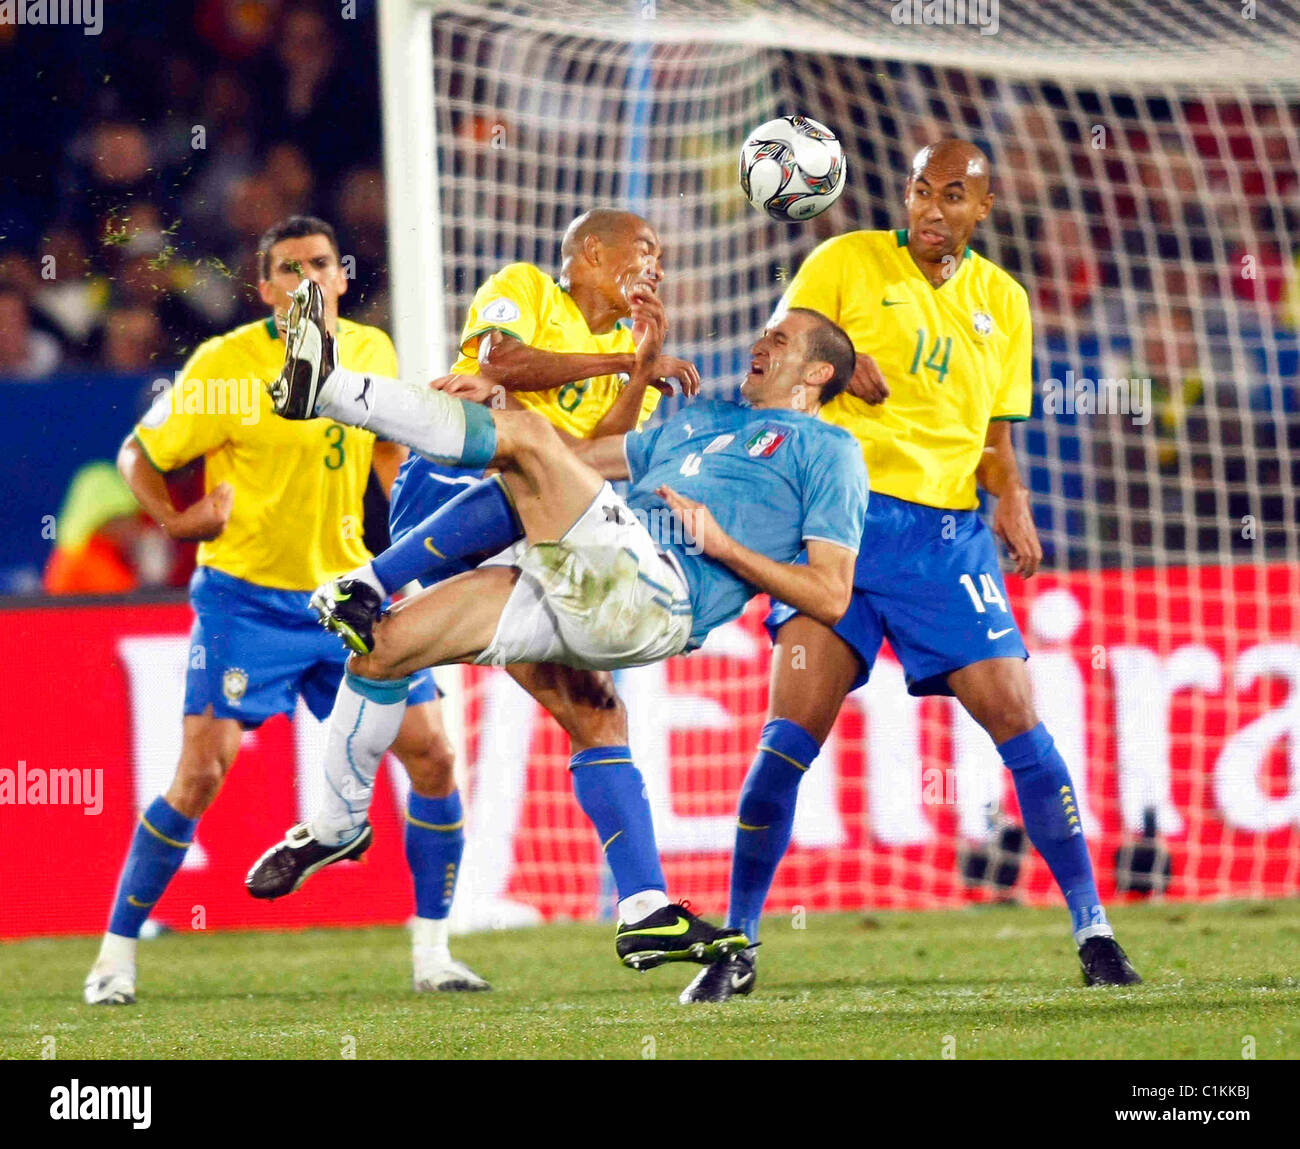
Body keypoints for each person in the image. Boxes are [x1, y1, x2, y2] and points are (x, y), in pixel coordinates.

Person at [264, 280, 867, 972]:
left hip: (656, 594)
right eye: (765, 332)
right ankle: (341, 827)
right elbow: (571, 463)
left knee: (527, 440)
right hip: (585, 580)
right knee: (383, 648)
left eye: (781, 339)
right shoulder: (699, 425)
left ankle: (331, 392)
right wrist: (496, 410)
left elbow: (831, 594)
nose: (760, 343)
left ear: (819, 372)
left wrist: (725, 547)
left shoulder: (830, 452)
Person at [680, 139, 1143, 1004]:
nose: (933, 208)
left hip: (946, 541)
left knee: (1020, 723)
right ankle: (736, 942)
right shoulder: (844, 260)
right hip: (838, 528)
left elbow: (996, 434)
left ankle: (1095, 929)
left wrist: (1013, 501)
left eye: (954, 194)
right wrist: (839, 363)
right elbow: (778, 355)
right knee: (787, 739)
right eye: (921, 190)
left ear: (985, 207)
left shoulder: (1004, 302)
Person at [248, 210, 700, 939]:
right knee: (520, 440)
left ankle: (644, 906)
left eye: (659, 254)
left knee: (589, 706)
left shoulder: (630, 352)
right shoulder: (526, 288)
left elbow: (587, 464)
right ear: (590, 251)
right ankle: (359, 537)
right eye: (642, 249)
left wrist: (640, 366)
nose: (654, 265)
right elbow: (502, 362)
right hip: (448, 497)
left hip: (524, 527)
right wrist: (611, 367)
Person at [83, 215, 487, 1005]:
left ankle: (434, 953)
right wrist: (176, 520)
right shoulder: (225, 366)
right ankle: (114, 958)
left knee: (434, 753)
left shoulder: (371, 352)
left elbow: (387, 456)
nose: (307, 277)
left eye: (320, 264)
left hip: (349, 598)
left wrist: (424, 543)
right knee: (200, 771)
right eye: (287, 268)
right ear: (266, 289)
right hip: (249, 602)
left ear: (341, 278)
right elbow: (140, 451)